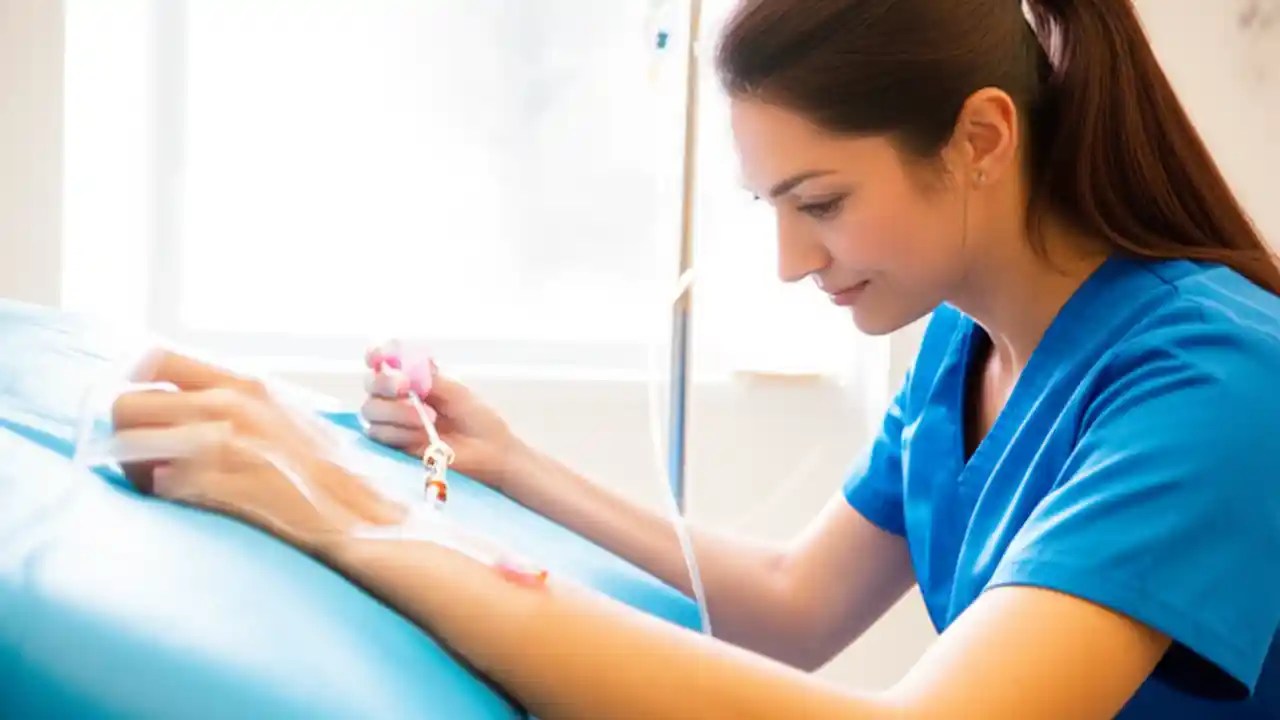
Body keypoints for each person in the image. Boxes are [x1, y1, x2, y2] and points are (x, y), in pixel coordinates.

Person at [111, 0, 1280, 716]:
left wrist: (363, 527)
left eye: (817, 200)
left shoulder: (1210, 382)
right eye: (769, 202)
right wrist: (510, 464)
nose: (785, 260)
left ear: (979, 138)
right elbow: (792, 603)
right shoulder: (955, 348)